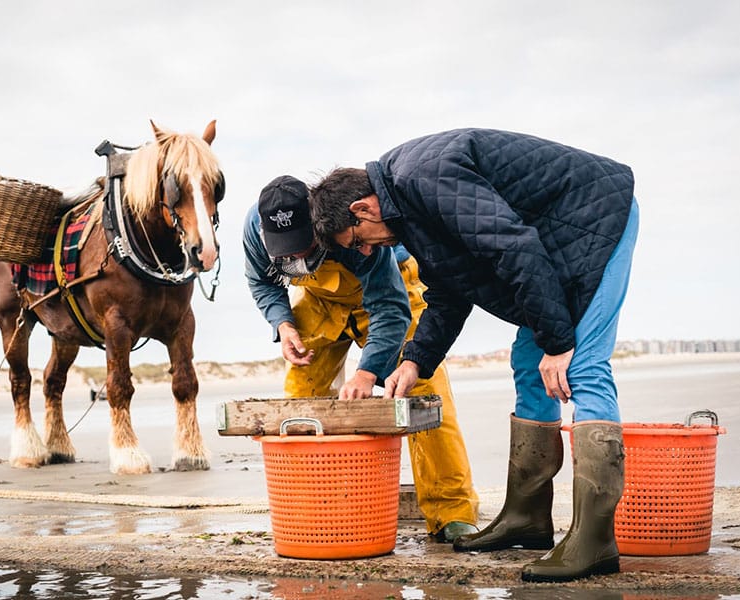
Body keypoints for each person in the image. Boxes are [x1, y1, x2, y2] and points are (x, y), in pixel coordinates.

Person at [308, 128, 639, 583]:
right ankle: (528, 518)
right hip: (551, 238)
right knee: (528, 364)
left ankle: (596, 542)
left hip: (598, 216)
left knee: (582, 366)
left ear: (361, 208)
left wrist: (559, 344)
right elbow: (447, 291)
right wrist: (414, 361)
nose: (366, 250)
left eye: (357, 238)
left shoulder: (426, 177)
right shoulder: (408, 208)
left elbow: (513, 246)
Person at [244, 175, 479, 540]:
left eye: (304, 248)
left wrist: (367, 372)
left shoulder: (353, 235)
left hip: (391, 292)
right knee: (299, 393)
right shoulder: (255, 230)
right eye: (287, 253)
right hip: (323, 303)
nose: (297, 258)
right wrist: (284, 324)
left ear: (321, 227)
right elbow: (261, 282)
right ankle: (312, 507)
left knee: (422, 393)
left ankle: (452, 512)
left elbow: (389, 309)